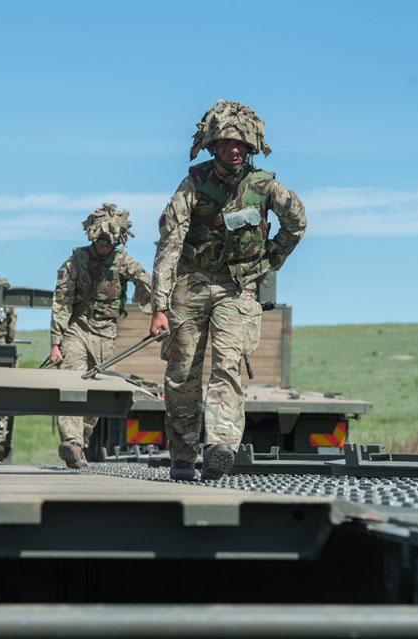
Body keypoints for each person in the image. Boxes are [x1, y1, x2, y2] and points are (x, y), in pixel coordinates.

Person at [149, 100, 307, 482]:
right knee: (182, 373)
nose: (234, 150)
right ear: (212, 147)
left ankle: (219, 444)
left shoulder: (265, 187)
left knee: (227, 363)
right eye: (225, 144)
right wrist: (159, 306)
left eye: (241, 145)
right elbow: (170, 244)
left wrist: (267, 264)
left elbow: (297, 222)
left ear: (251, 147)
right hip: (190, 284)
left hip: (236, 291)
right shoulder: (192, 186)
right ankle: (183, 457)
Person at [49, 204, 151, 469]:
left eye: (110, 242)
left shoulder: (122, 262)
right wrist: (55, 343)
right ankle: (70, 442)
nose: (104, 246)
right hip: (77, 329)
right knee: (71, 382)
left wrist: (159, 311)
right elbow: (61, 301)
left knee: (98, 394)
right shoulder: (75, 263)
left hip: (106, 334)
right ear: (92, 237)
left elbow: (146, 281)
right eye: (100, 241)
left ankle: (80, 441)